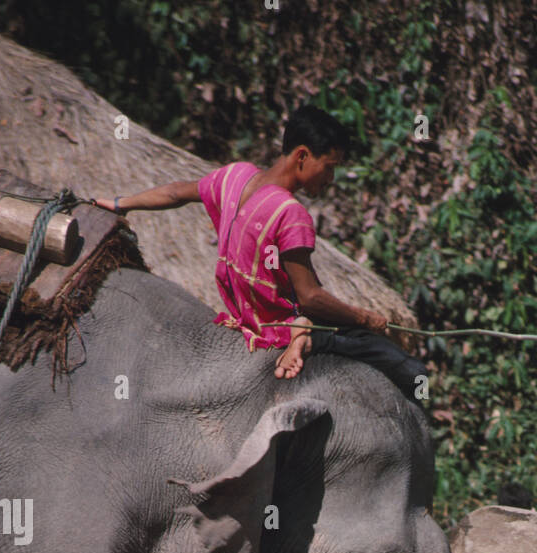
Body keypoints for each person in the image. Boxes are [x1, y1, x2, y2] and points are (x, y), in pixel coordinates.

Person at [94, 105, 427, 398]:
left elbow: (176, 192)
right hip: (274, 327)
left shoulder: (234, 177)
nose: (332, 177)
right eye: (329, 166)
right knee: (411, 371)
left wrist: (122, 204)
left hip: (242, 317)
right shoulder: (290, 213)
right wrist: (367, 318)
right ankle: (302, 335)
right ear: (302, 156)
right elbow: (310, 297)